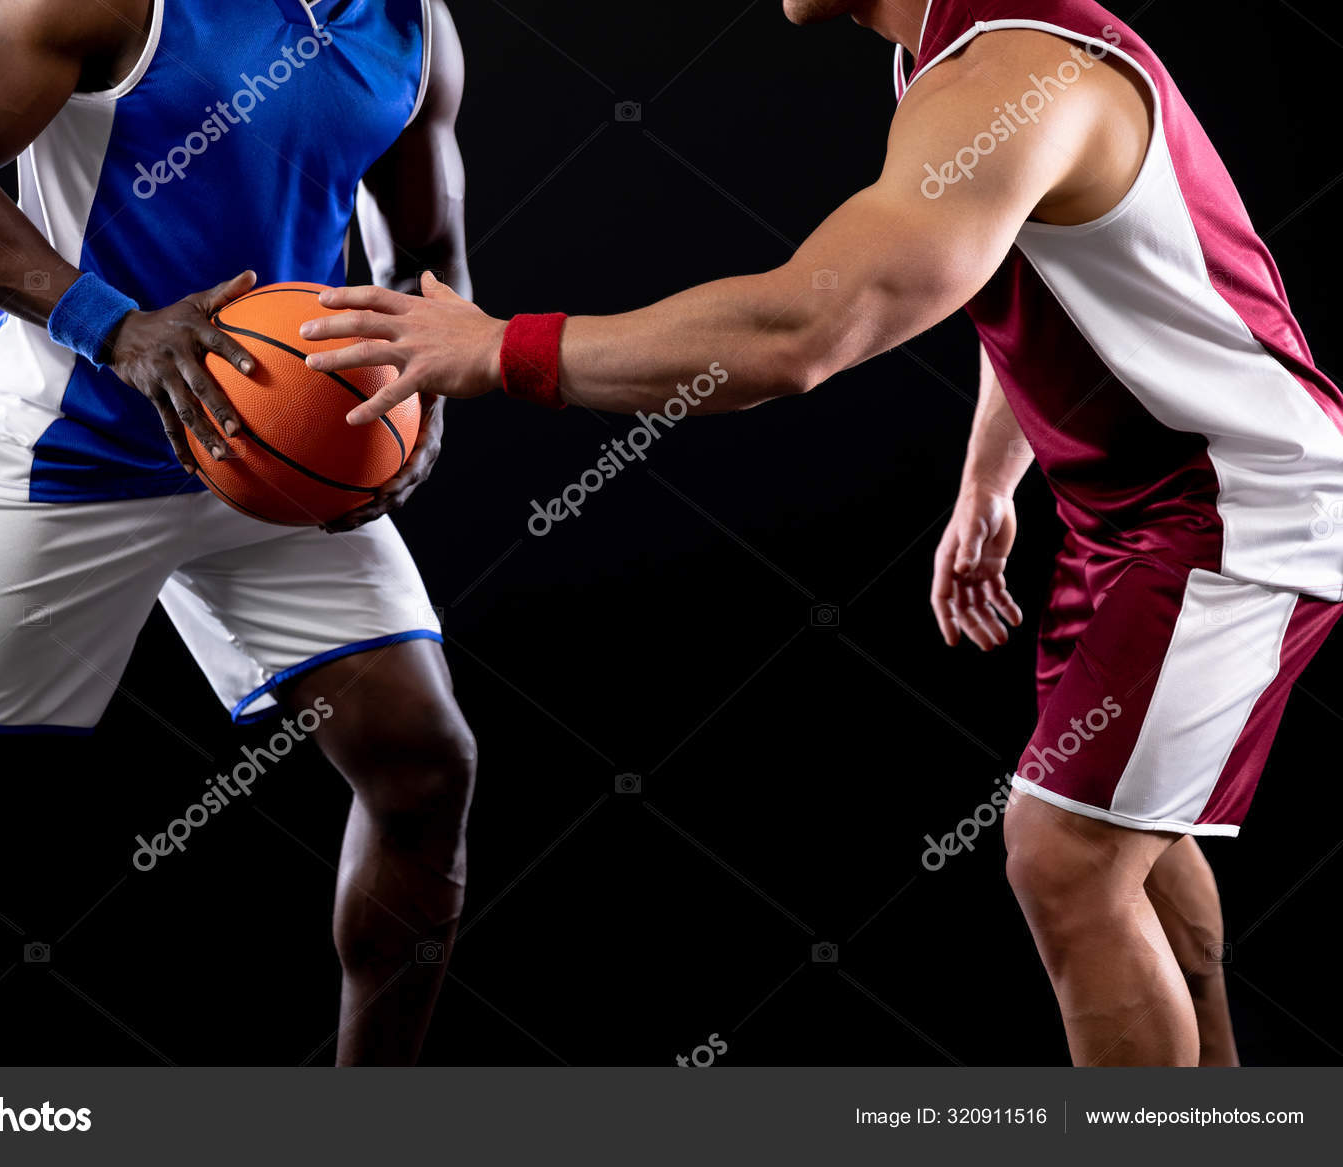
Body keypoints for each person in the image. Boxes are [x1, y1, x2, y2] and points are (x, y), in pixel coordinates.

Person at [300, 0, 1343, 1065]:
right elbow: (1037, 263)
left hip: (1228, 506)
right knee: (1133, 840)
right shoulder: (952, 61)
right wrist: (991, 478)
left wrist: (503, 350)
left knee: (1066, 857)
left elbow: (801, 330)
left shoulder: (1012, 76)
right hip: (1133, 509)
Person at [0, 0, 475, 1067]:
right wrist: (115, 329)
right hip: (73, 453)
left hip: (273, 458)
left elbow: (430, 246)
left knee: (424, 767)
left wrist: (426, 389)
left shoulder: (410, 21)